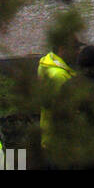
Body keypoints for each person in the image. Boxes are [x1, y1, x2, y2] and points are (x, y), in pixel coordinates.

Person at [37, 33, 77, 163]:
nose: (77, 52)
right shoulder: (59, 76)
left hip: (48, 137)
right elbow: (65, 111)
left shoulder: (46, 64)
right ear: (62, 49)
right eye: (74, 48)